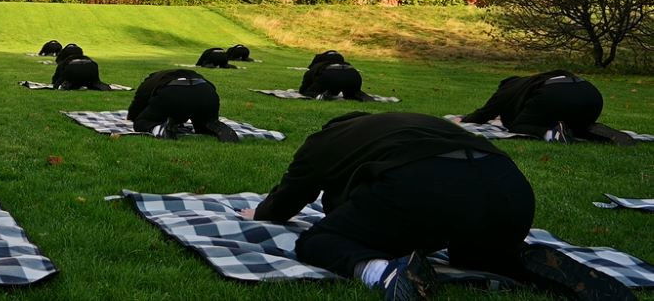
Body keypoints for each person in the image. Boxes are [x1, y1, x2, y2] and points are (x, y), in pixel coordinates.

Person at [246, 111, 633, 301]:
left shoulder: (323, 142)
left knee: (319, 241)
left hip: (421, 186)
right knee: (476, 255)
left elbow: (287, 202)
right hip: (508, 186)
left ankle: (383, 272)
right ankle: (524, 262)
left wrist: (259, 215)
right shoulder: (412, 123)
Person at [458, 70, 634, 146]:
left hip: (556, 93)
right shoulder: (532, 81)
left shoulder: (509, 87)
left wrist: (463, 120)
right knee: (575, 127)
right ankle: (593, 129)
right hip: (591, 95)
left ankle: (550, 133)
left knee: (518, 126)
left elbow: (485, 113)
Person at [126, 70, 238, 142]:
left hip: (174, 92)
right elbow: (211, 87)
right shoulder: (190, 72)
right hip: (206, 92)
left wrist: (134, 116)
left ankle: (160, 129)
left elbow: (138, 103)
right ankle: (213, 125)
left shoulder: (151, 80)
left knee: (141, 122)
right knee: (203, 125)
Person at [299, 61, 370, 101]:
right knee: (351, 95)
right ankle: (358, 95)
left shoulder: (312, 71)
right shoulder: (343, 63)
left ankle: (320, 97)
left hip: (331, 76)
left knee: (309, 92)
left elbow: (303, 89)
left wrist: (308, 91)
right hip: (354, 75)